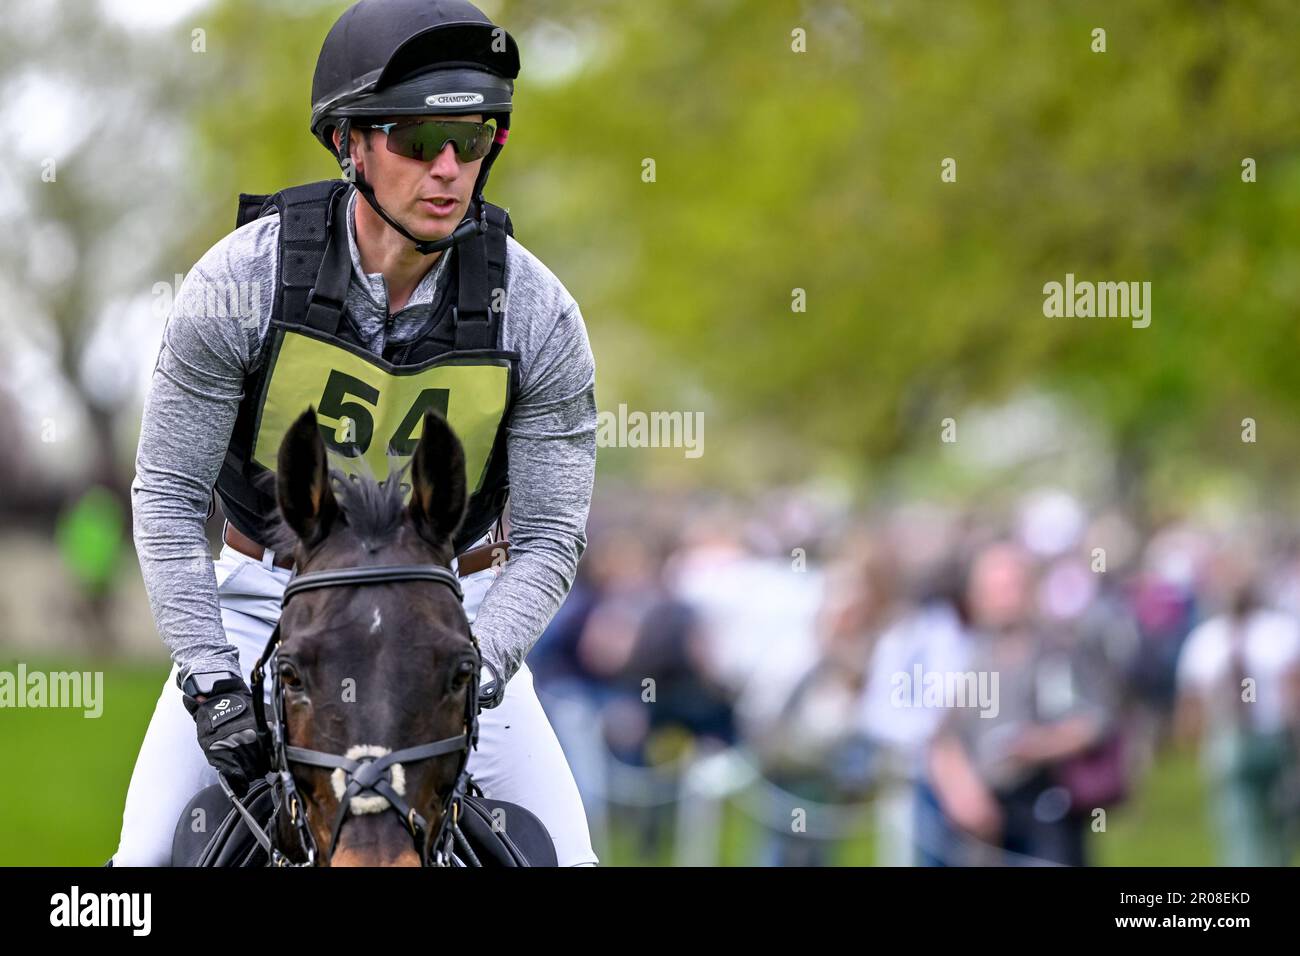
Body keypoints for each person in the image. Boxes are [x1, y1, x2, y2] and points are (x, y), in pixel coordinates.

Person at [111, 0, 598, 866]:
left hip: (454, 614)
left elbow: (553, 537)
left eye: (474, 140)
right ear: (350, 145)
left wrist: (467, 675)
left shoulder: (539, 314)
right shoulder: (238, 287)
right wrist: (214, 682)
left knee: (574, 858)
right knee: (140, 869)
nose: (448, 170)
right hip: (269, 606)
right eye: (417, 141)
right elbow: (168, 495)